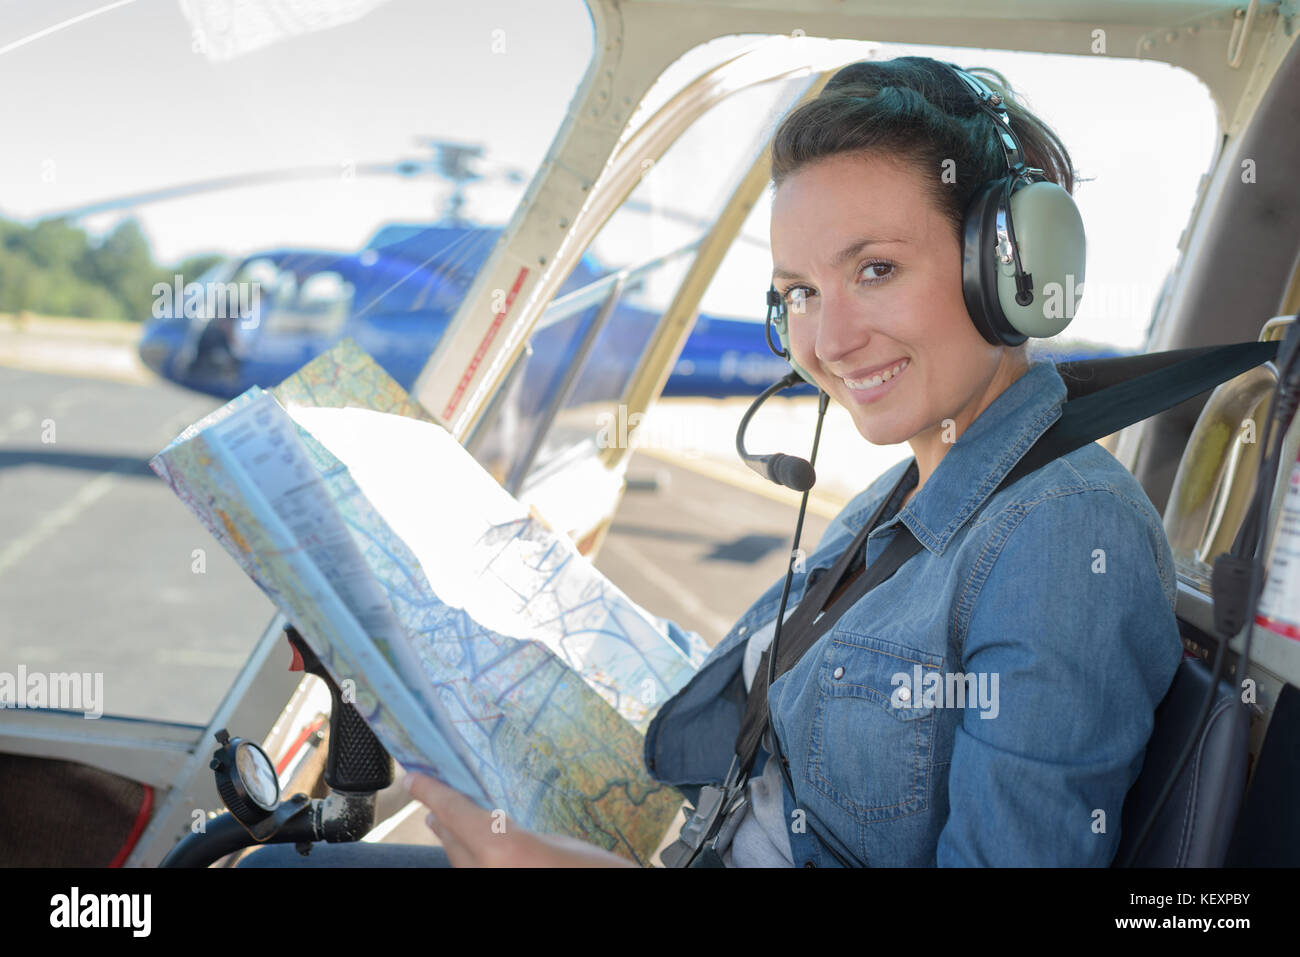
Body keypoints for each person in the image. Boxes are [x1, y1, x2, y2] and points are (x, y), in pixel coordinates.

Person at [243, 55, 1183, 868]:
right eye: (799, 292)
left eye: (876, 270)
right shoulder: (915, 489)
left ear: (1006, 270)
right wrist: (478, 623)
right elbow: (792, 696)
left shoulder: (1063, 535)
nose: (830, 339)